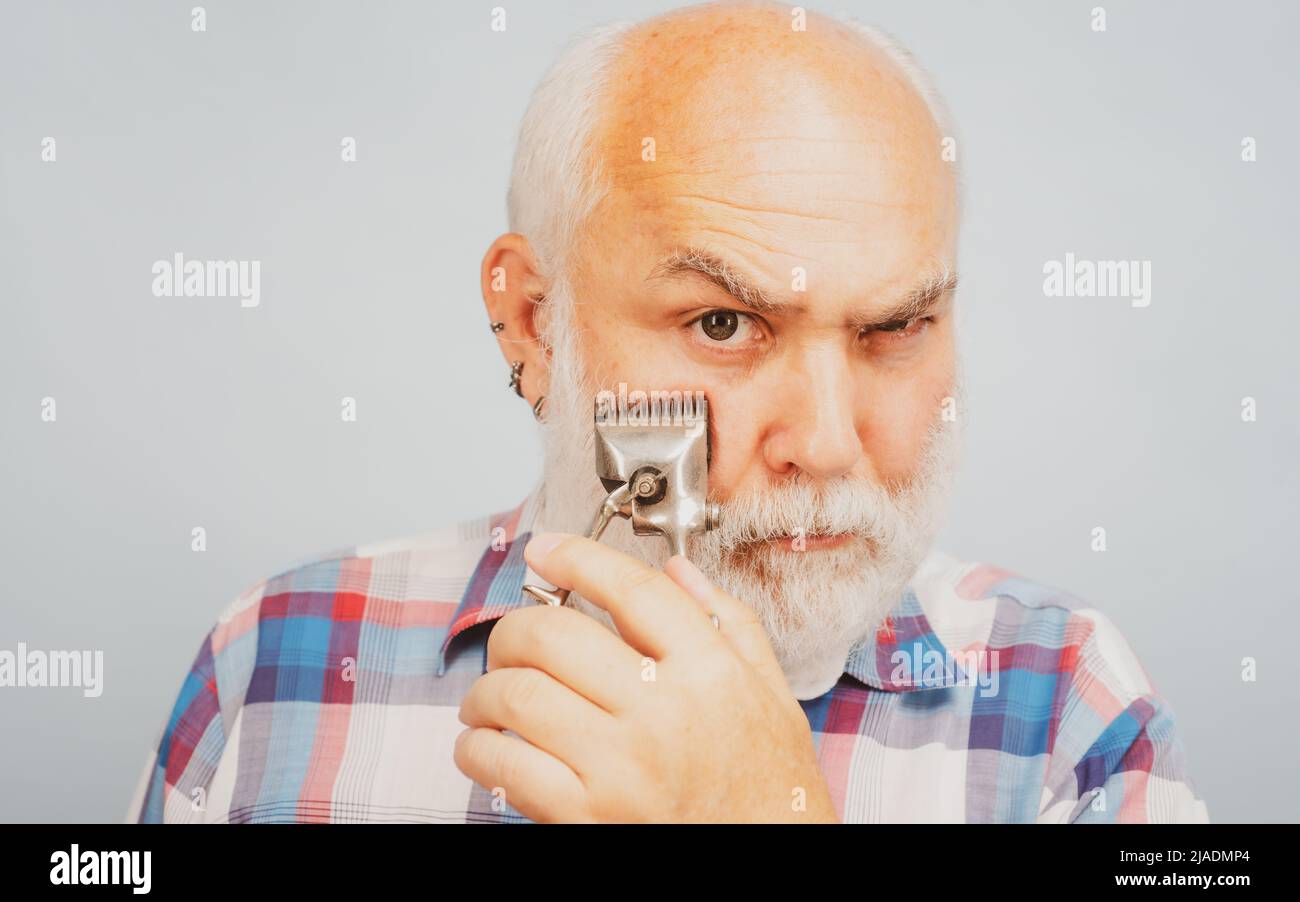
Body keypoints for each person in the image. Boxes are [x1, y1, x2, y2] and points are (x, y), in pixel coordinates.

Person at [130, 0, 1208, 824]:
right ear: (533, 324)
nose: (827, 445)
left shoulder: (1067, 708)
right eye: (726, 325)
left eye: (894, 328)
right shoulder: (274, 665)